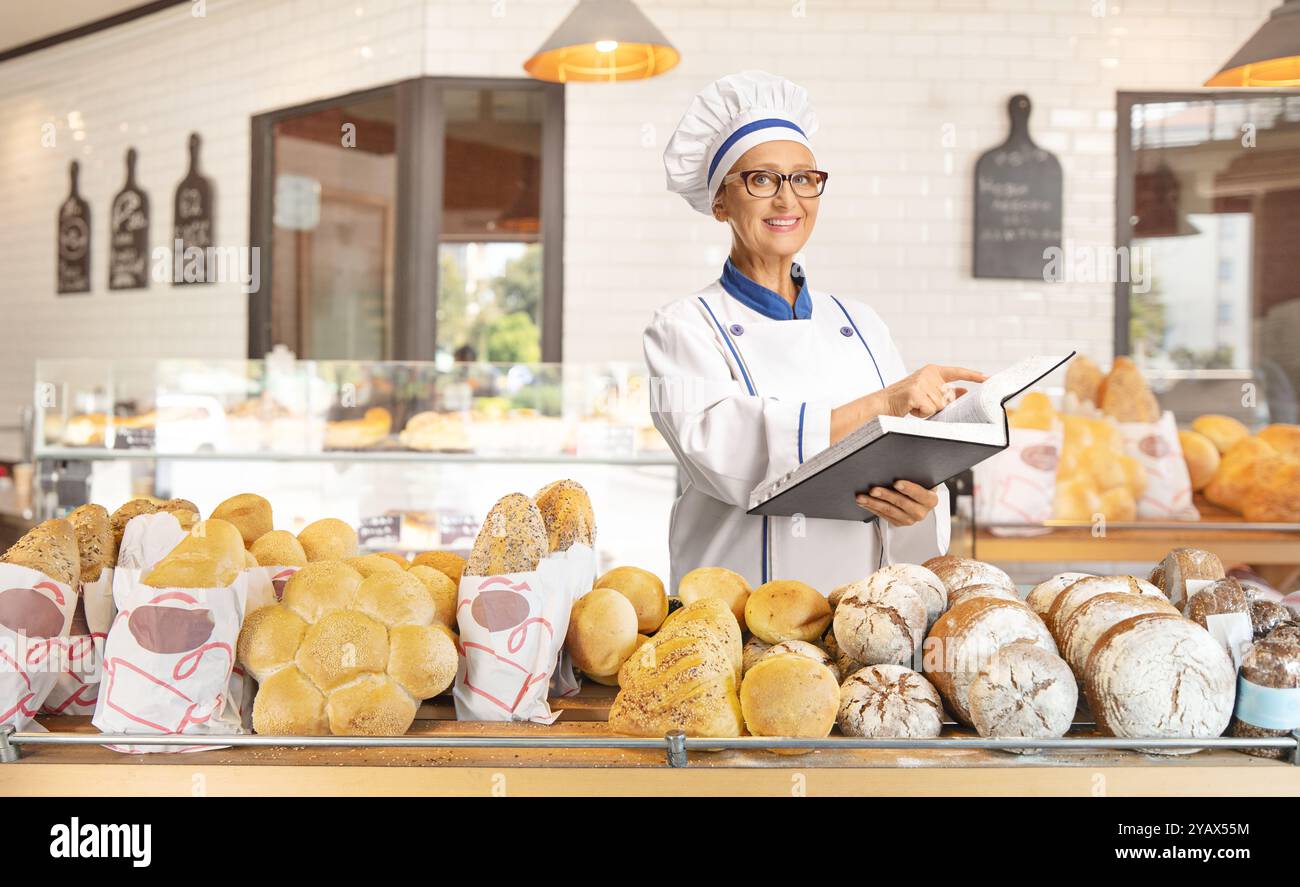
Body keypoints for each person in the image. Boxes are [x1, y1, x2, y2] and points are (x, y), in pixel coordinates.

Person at [645, 71, 987, 594]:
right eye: (762, 179)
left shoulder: (863, 324)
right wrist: (882, 405)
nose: (788, 200)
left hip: (864, 624)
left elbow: (899, 480)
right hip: (735, 625)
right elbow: (726, 454)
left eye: (803, 179)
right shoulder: (683, 326)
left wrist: (912, 512)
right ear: (720, 203)